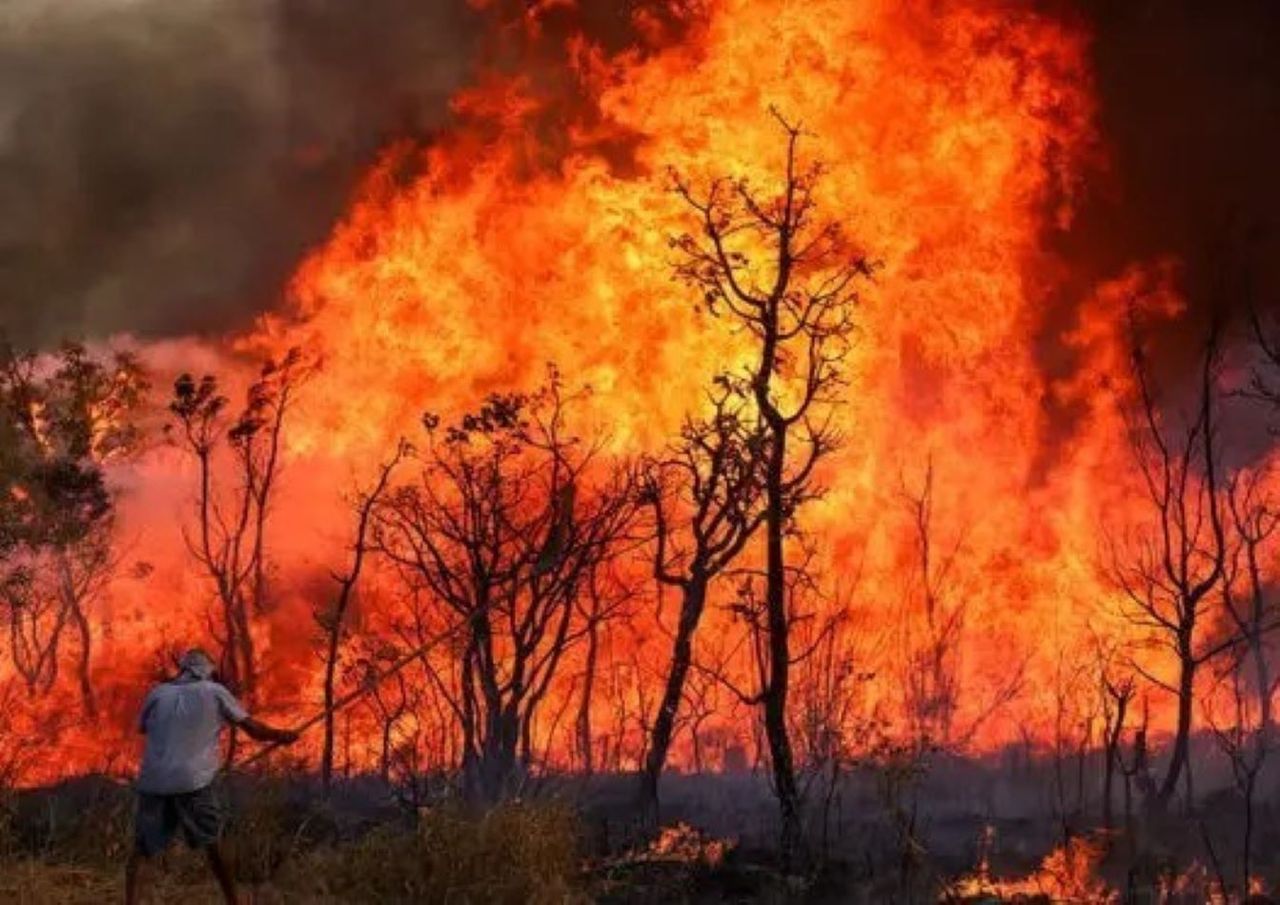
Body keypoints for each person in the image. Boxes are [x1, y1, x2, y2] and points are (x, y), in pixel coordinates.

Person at [125, 648, 299, 905]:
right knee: (214, 844)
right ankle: (233, 901)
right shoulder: (213, 691)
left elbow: (144, 728)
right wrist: (282, 736)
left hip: (154, 782)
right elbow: (254, 730)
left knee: (144, 850)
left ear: (183, 668)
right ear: (207, 670)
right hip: (193, 782)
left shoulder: (158, 693)